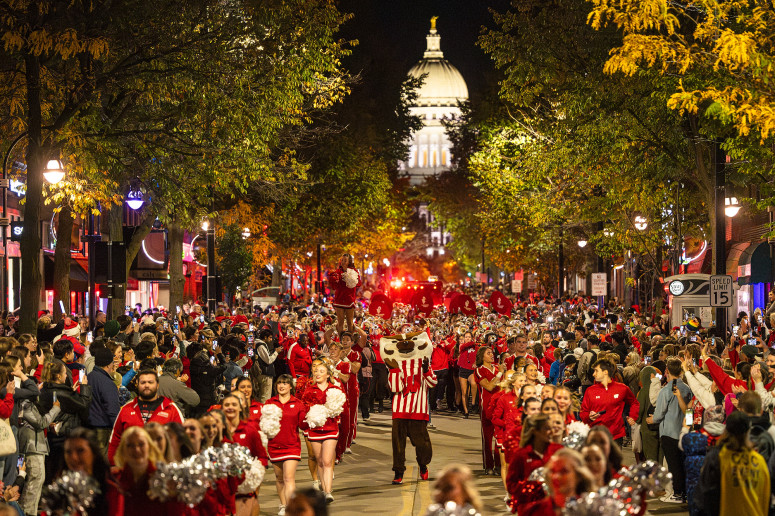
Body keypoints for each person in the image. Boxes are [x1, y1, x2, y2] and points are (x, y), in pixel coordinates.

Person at [695, 410, 770, 516]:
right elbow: (766, 498)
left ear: (726, 430)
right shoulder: (759, 461)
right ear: (748, 431)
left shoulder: (718, 457)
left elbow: (705, 496)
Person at [107, 369, 184, 464]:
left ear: (157, 385)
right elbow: (115, 440)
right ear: (137, 384)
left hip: (162, 468)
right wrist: (113, 466)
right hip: (132, 468)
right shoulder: (126, 409)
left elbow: (182, 441)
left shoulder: (171, 408)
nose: (146, 385)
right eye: (143, 382)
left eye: (150, 382)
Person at [385, 347, 437, 486]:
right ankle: (398, 472)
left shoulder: (423, 362)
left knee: (423, 444)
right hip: (400, 410)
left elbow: (433, 383)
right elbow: (395, 387)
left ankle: (423, 464)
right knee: (398, 444)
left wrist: (426, 370)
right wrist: (394, 371)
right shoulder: (395, 363)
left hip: (418, 410)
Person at [109, 426, 181, 516]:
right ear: (123, 450)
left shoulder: (166, 480)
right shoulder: (112, 480)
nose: (136, 449)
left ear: (150, 447)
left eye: (141, 444)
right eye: (130, 445)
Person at [301, 361, 345, 504]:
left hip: (331, 429)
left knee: (327, 461)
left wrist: (330, 411)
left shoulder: (335, 389)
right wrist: (312, 411)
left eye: (321, 371)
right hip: (314, 430)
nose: (317, 373)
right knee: (319, 461)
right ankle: (324, 489)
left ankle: (328, 492)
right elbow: (304, 408)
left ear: (328, 375)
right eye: (316, 371)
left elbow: (339, 409)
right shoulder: (309, 389)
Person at [650, 357, 693, 503]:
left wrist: (651, 419)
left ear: (667, 371)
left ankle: (678, 494)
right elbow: (689, 412)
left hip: (669, 432)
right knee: (682, 464)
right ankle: (684, 493)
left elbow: (659, 414)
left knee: (673, 465)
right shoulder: (687, 389)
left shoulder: (666, 391)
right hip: (684, 431)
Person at [263, 374, 307, 516]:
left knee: (289, 478)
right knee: (279, 478)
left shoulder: (298, 403)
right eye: (279, 383)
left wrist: (313, 418)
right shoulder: (269, 403)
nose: (281, 386)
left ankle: (291, 508)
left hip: (292, 446)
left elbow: (303, 425)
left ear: (290, 386)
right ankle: (282, 504)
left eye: (285, 383)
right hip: (275, 446)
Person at [17, 381, 60, 515]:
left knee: (33, 481)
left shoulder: (29, 404)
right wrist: (55, 409)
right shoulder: (26, 404)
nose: (38, 390)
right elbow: (40, 423)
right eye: (35, 387)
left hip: (32, 447)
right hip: (32, 448)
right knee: (34, 481)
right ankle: (27, 513)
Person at [506, 414, 563, 512]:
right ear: (535, 432)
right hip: (529, 510)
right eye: (547, 429)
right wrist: (531, 488)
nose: (551, 432)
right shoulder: (521, 455)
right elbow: (511, 485)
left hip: (553, 509)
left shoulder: (558, 451)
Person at [579, 358, 639, 446]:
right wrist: (589, 416)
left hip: (615, 437)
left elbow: (634, 403)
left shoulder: (622, 388)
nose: (593, 374)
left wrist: (633, 416)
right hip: (595, 436)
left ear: (605, 372)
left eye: (596, 371)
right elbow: (583, 412)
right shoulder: (590, 391)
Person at [520, 448, 597, 516]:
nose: (556, 477)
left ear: (579, 476)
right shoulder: (533, 511)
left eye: (564, 471)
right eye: (552, 471)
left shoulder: (591, 509)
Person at [87, 347, 121, 457]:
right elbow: (112, 409)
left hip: (88, 426)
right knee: (101, 461)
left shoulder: (89, 377)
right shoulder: (107, 383)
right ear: (108, 365)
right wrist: (118, 429)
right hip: (102, 429)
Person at [473, 346, 503, 475]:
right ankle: (488, 466)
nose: (492, 355)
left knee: (499, 437)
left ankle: (499, 465)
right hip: (487, 407)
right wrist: (500, 374)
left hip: (499, 407)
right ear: (482, 356)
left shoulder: (497, 368)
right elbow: (489, 386)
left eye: (492, 353)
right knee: (487, 437)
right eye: (488, 353)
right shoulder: (479, 370)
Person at [329, 254, 360, 334]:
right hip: (339, 300)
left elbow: (359, 283)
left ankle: (350, 341)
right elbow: (334, 286)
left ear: (349, 261)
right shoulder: (337, 272)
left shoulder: (354, 272)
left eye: (345, 260)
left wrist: (351, 279)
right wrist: (334, 280)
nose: (342, 262)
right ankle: (340, 339)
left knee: (350, 322)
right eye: (342, 260)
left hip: (349, 300)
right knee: (340, 322)